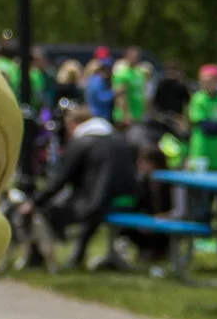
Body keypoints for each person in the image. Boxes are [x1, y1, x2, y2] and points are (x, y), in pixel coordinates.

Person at [34, 104, 139, 270]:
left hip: (98, 202)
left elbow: (59, 181)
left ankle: (38, 259)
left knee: (43, 212)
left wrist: (34, 201)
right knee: (94, 209)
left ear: (73, 123)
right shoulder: (116, 138)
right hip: (128, 200)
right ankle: (78, 255)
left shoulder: (82, 142)